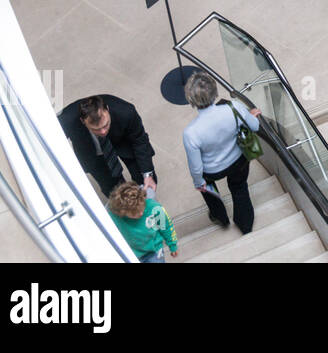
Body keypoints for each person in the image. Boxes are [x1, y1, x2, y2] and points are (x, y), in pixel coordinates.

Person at [182, 72, 261, 235]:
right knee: (239, 188)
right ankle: (245, 224)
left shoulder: (191, 133)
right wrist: (250, 115)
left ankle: (220, 217)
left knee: (208, 190)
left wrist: (198, 182)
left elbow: (196, 167)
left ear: (191, 99)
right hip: (239, 159)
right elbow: (255, 127)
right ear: (214, 92)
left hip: (212, 171)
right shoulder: (233, 108)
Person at [57, 95, 157, 198]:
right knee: (114, 191)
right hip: (93, 154)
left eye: (105, 125)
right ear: (83, 121)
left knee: (145, 179)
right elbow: (49, 139)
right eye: (96, 129)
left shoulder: (125, 112)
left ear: (107, 110)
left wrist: (147, 175)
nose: (103, 131)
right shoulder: (66, 121)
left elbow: (140, 141)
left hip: (123, 141)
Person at [107, 181, 178, 263]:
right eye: (134, 213)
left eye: (142, 207)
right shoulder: (113, 216)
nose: (141, 213)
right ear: (122, 212)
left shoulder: (155, 208)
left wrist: (172, 245)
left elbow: (167, 227)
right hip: (131, 254)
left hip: (154, 250)